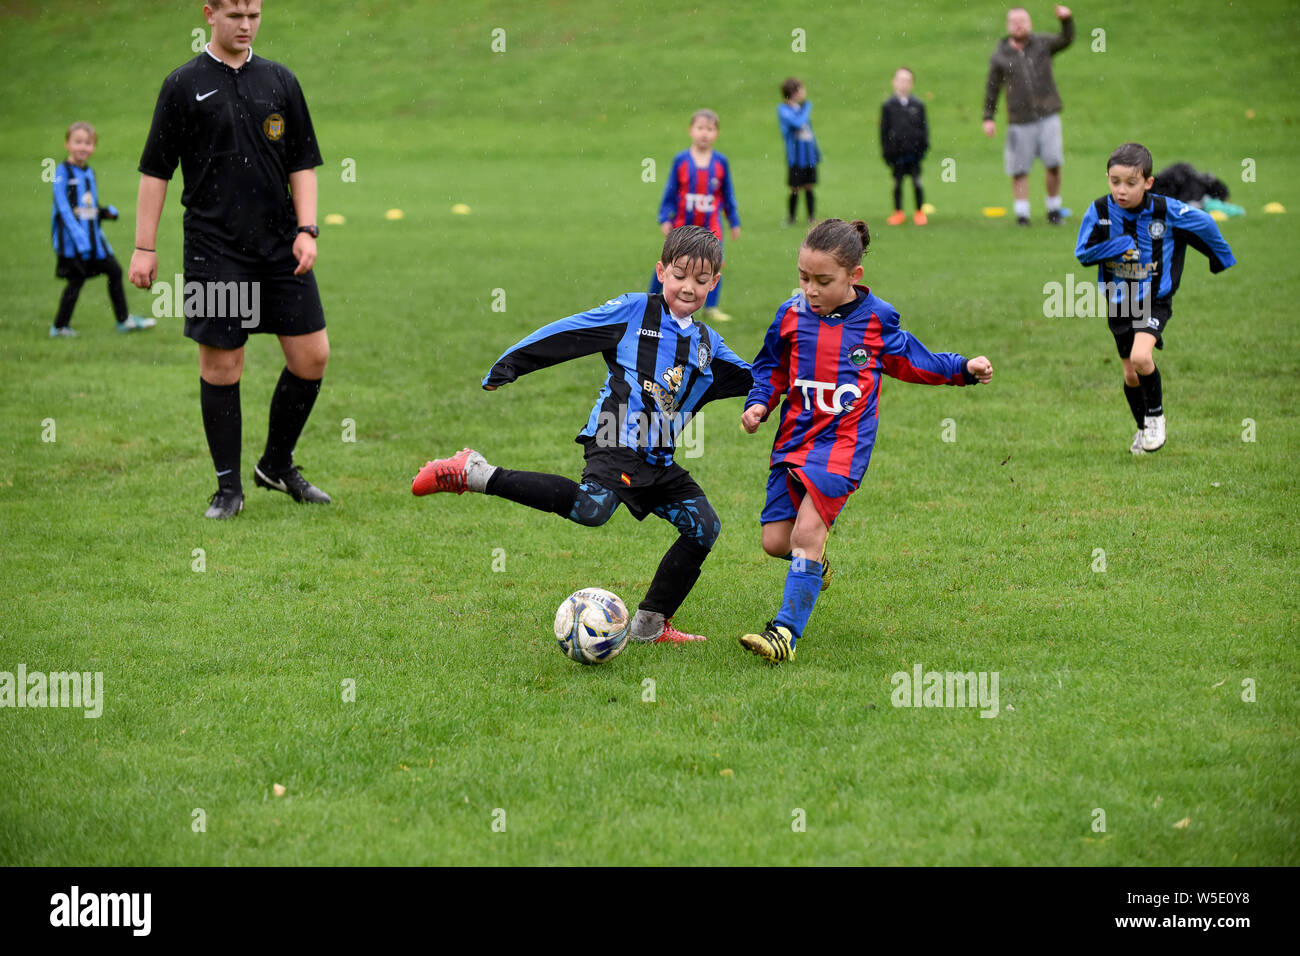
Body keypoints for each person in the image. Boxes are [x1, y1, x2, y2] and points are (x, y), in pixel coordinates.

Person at [414, 226, 754, 646]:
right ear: (661, 271)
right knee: (592, 509)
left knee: (704, 527)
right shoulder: (634, 312)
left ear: (715, 283)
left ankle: (650, 625)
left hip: (657, 461)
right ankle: (475, 472)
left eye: (701, 281)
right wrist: (510, 365)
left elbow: (760, 381)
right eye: (680, 275)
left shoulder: (708, 344)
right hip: (614, 438)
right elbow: (569, 332)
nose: (689, 288)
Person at [738, 219, 993, 663]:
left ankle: (784, 634)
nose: (811, 290)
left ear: (854, 276)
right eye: (803, 278)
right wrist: (760, 402)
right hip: (793, 441)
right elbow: (771, 368)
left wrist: (962, 369)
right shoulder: (791, 314)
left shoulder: (877, 320)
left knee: (807, 533)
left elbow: (915, 360)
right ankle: (814, 569)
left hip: (841, 448)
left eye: (823, 281)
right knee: (776, 542)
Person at [128, 0, 331, 519]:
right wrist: (143, 246)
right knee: (223, 365)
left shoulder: (280, 80)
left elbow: (303, 162)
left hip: (281, 245)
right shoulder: (182, 85)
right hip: (213, 249)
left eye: (254, 15)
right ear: (209, 14)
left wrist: (307, 229)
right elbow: (155, 171)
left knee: (312, 357)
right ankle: (227, 488)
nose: (245, 25)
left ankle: (276, 464)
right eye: (235, 14)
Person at [1075, 143, 1236, 454]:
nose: (1121, 190)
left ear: (1148, 182)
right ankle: (1141, 429)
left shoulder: (1165, 209)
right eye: (1114, 181)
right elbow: (1083, 253)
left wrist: (1220, 259)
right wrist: (1117, 246)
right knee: (1129, 373)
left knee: (1141, 357)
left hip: (1155, 298)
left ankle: (1156, 418)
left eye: (1131, 183)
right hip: (1118, 300)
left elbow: (1204, 223)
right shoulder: (1099, 211)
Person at [50, 122, 154, 338]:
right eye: (78, 142)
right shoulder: (62, 172)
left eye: (88, 143)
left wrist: (105, 213)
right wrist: (79, 238)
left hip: (94, 241)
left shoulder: (89, 173)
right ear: (67, 144)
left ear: (94, 147)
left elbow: (87, 209)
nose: (83, 147)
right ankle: (59, 327)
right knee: (76, 279)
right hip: (73, 243)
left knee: (114, 271)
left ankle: (124, 320)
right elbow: (64, 209)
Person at [982, 5, 1074, 226]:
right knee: (1019, 168)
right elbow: (992, 88)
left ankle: (1053, 209)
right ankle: (1022, 214)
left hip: (1048, 115)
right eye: (1014, 22)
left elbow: (1066, 39)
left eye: (1023, 20)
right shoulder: (1000, 55)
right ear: (1008, 26)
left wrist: (1066, 20)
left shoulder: (1042, 44)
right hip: (1019, 120)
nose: (1019, 25)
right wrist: (988, 117)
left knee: (1053, 162)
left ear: (1030, 23)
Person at [649, 110, 741, 322]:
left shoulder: (720, 162)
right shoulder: (681, 160)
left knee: (715, 265)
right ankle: (654, 298)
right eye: (700, 128)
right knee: (671, 262)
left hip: (712, 229)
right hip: (682, 226)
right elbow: (670, 191)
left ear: (716, 133)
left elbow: (727, 194)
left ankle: (711, 306)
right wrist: (664, 217)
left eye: (709, 129)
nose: (704, 133)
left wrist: (733, 220)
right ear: (691, 130)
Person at [880, 67, 929, 226]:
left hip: (914, 152)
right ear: (894, 82)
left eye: (907, 81)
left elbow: (924, 128)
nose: (904, 84)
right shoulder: (888, 106)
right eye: (901, 80)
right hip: (896, 153)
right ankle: (898, 212)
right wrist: (887, 152)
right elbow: (884, 131)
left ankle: (919, 212)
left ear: (912, 84)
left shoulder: (918, 105)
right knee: (897, 182)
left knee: (917, 182)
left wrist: (923, 147)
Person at [778, 78, 821, 227]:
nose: (804, 92)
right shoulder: (784, 110)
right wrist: (807, 107)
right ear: (794, 92)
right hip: (796, 156)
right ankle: (791, 217)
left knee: (809, 186)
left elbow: (810, 133)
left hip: (808, 155)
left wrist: (817, 152)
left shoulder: (800, 109)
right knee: (795, 187)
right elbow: (797, 123)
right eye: (801, 89)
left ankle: (811, 217)